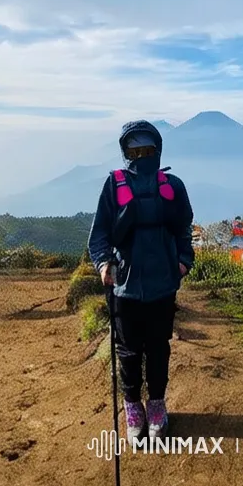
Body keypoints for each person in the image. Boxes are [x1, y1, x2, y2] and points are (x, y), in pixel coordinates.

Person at [88, 120, 194, 444]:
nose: (141, 154)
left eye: (146, 148)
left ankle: (157, 405)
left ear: (157, 150)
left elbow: (184, 228)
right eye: (135, 149)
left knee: (158, 348)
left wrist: (183, 262)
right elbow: (100, 234)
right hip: (125, 286)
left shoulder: (172, 186)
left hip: (163, 284)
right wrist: (104, 263)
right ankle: (133, 406)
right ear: (125, 151)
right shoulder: (114, 184)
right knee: (129, 352)